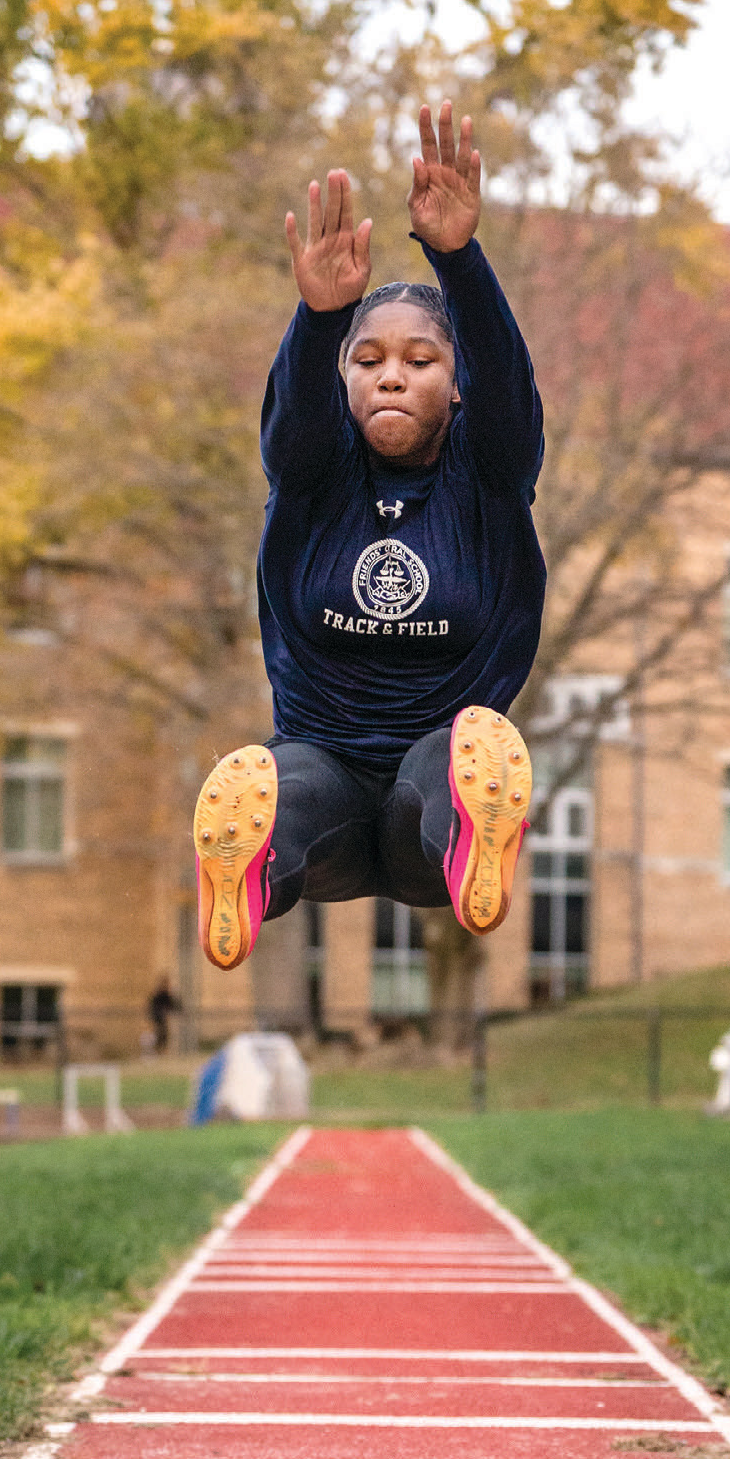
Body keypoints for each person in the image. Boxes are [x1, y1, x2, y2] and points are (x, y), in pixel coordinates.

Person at [193, 101, 547, 971]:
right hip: (328, 767)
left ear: (455, 386)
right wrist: (319, 319)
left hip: (434, 792)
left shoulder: (489, 473)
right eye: (368, 359)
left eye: (420, 362)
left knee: (447, 757)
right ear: (344, 376)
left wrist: (458, 258)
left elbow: (511, 396)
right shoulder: (315, 475)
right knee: (288, 790)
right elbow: (293, 423)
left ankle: (473, 841)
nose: (391, 375)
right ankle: (249, 877)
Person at [147, 980, 180, 1053]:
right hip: (158, 1017)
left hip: (162, 1018)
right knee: (159, 1033)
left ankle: (162, 1050)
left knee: (164, 1034)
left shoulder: (166, 995)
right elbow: (153, 1007)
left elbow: (173, 1005)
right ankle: (157, 1049)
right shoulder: (158, 996)